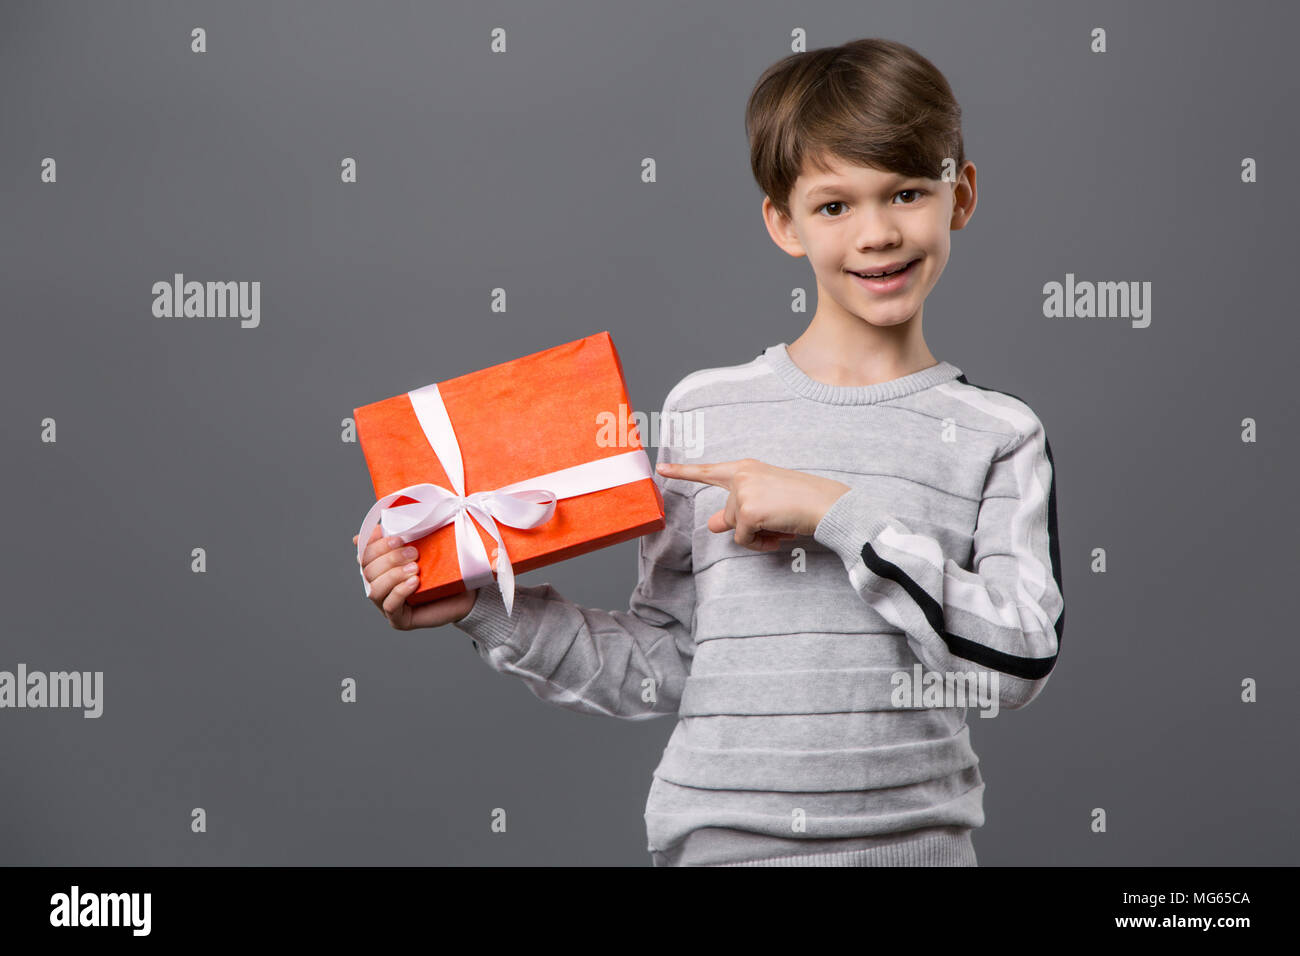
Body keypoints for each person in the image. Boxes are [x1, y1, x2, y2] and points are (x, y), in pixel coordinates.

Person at [354, 37, 1064, 867]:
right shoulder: (704, 413)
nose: (876, 233)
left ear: (960, 195)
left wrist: (835, 512)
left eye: (906, 193)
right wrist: (483, 606)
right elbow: (668, 664)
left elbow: (1018, 662)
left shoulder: (998, 432)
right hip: (719, 854)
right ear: (782, 222)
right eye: (835, 206)